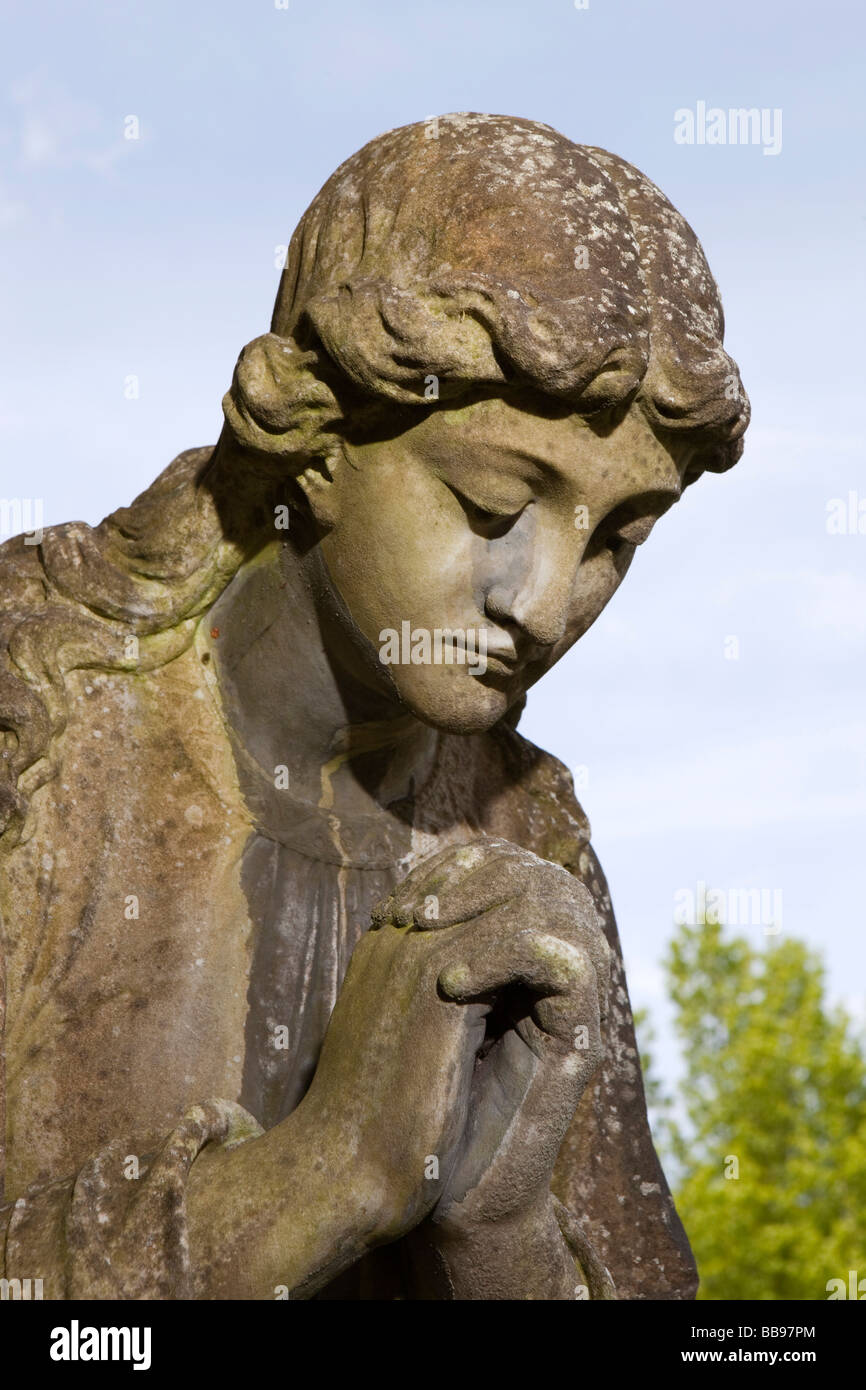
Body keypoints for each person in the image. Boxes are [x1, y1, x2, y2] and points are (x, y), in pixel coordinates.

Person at [0, 113, 748, 1299]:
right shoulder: (32, 708)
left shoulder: (526, 830)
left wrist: (498, 1233)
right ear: (316, 432)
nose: (545, 606)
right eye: (493, 503)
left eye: (615, 538)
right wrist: (322, 1177)